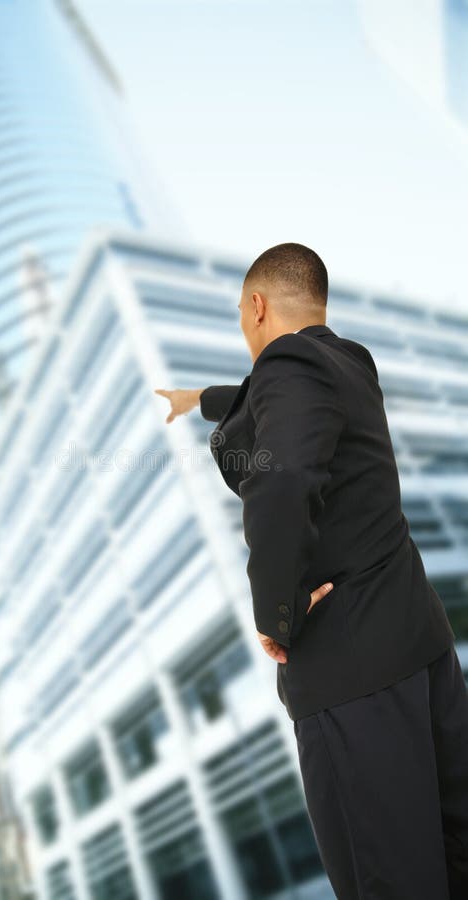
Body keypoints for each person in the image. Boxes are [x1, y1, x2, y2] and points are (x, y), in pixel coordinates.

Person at [155, 242, 468, 899]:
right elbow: (272, 400)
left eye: (243, 315)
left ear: (259, 306)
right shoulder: (349, 361)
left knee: (388, 879)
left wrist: (279, 612)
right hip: (422, 650)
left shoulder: (285, 365)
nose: (245, 330)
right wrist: (199, 398)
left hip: (349, 670)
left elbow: (283, 472)